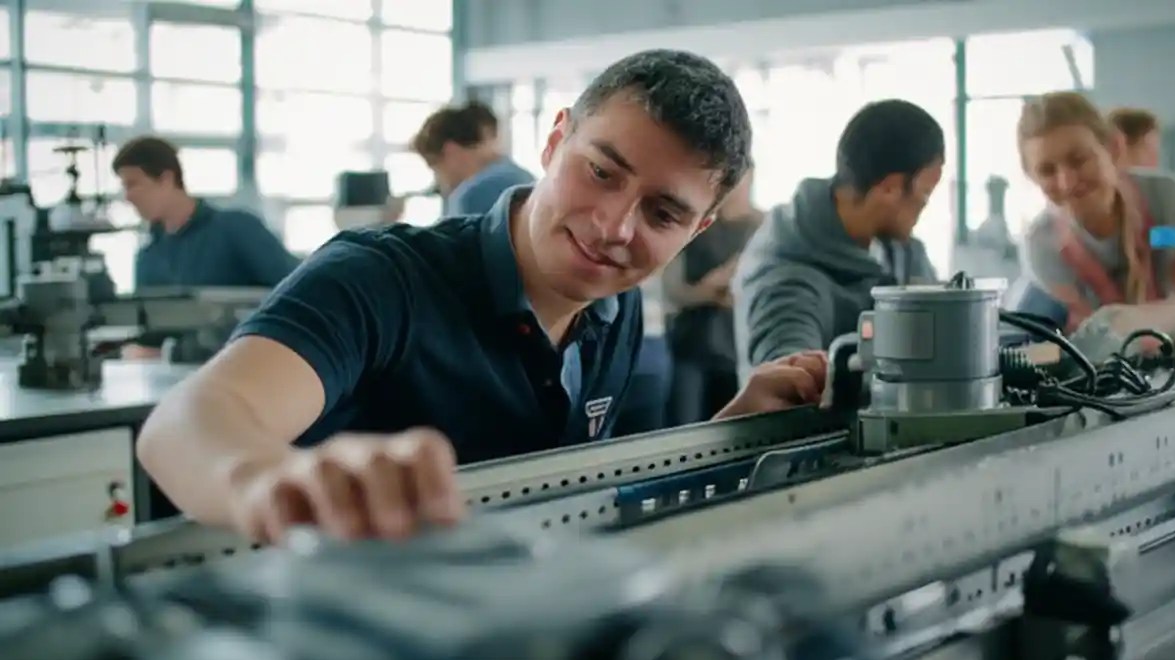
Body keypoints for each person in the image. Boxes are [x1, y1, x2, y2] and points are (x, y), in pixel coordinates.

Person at [137, 49, 829, 544]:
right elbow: (185, 424)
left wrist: (737, 429)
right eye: (600, 172)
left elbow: (576, 501)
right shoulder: (384, 281)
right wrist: (273, 480)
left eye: (663, 215)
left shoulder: (615, 311)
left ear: (698, 228)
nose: (615, 228)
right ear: (556, 139)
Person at [734, 99, 942, 375]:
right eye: (924, 196)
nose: (924, 209)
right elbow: (788, 382)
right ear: (890, 189)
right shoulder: (787, 280)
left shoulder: (902, 251)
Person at [1017, 92, 1175, 338]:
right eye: (1047, 171)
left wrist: (1141, 320)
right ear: (1031, 177)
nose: (1066, 182)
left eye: (1079, 160)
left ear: (1114, 148)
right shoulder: (1042, 244)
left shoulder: (1174, 198)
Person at [114, 136, 300, 358]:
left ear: (166, 178)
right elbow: (150, 337)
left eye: (133, 184)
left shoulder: (236, 229)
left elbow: (296, 289)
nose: (128, 197)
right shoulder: (148, 258)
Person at [664, 166, 763, 424]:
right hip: (691, 349)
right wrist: (711, 287)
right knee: (684, 430)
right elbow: (674, 292)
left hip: (740, 351)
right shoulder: (697, 223)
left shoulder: (765, 227)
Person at [413, 100, 536, 217]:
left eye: (435, 166)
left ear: (450, 151)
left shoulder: (469, 197)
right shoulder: (524, 177)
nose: (438, 180)